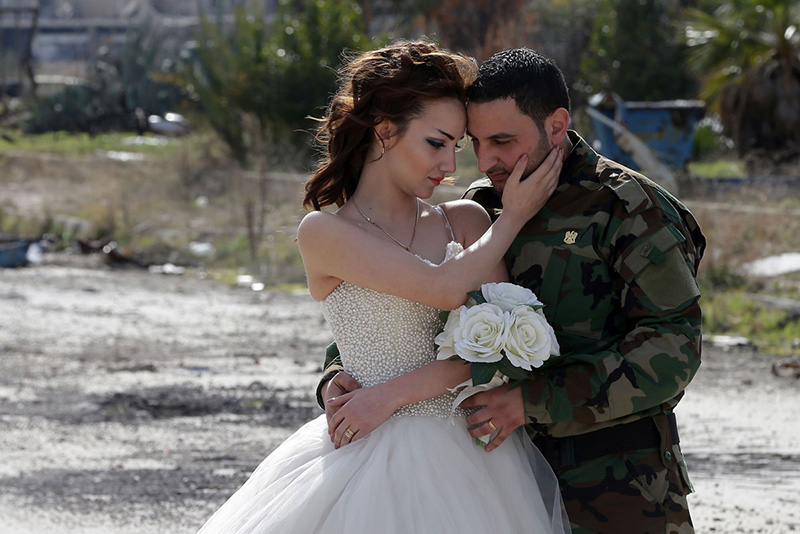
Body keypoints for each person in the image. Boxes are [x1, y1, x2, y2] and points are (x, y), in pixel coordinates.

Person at [319, 48, 706, 534]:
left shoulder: (628, 208)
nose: (486, 161)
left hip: (617, 486)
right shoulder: (482, 205)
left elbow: (674, 348)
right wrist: (338, 374)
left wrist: (532, 401)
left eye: (502, 141)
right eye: (476, 142)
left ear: (556, 125)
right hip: (491, 476)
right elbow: (409, 315)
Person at [196, 40, 569, 534]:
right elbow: (442, 288)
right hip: (360, 455)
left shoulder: (467, 222)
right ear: (385, 130)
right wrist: (515, 216)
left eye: (456, 147)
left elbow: (499, 349)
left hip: (471, 465)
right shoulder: (324, 233)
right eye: (436, 143)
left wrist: (389, 396)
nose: (451, 166)